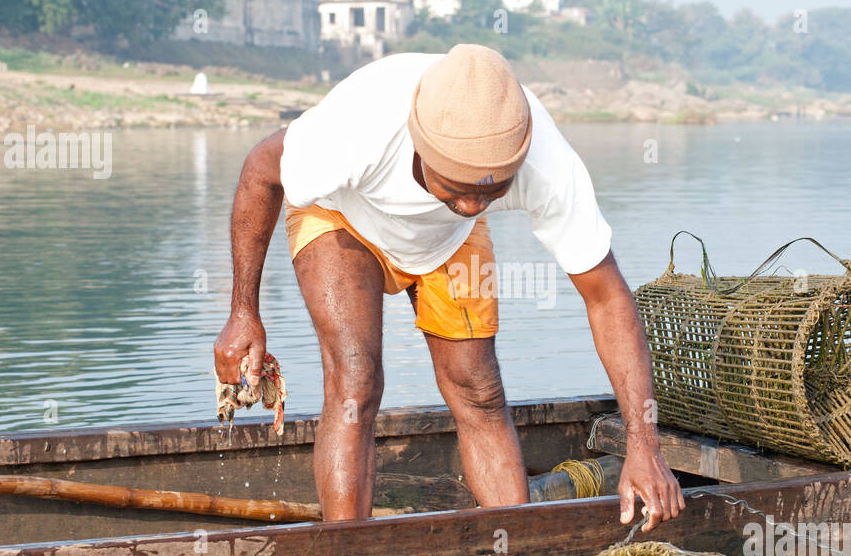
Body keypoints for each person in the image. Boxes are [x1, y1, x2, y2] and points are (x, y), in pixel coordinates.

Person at [214, 43, 682, 530]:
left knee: (479, 388)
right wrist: (243, 312)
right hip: (341, 215)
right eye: (456, 187)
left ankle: (514, 543)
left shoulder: (541, 161)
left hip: (447, 241)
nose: (474, 204)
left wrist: (644, 447)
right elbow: (259, 173)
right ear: (419, 144)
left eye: (492, 191)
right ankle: (348, 552)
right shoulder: (360, 124)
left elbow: (606, 296)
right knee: (356, 380)